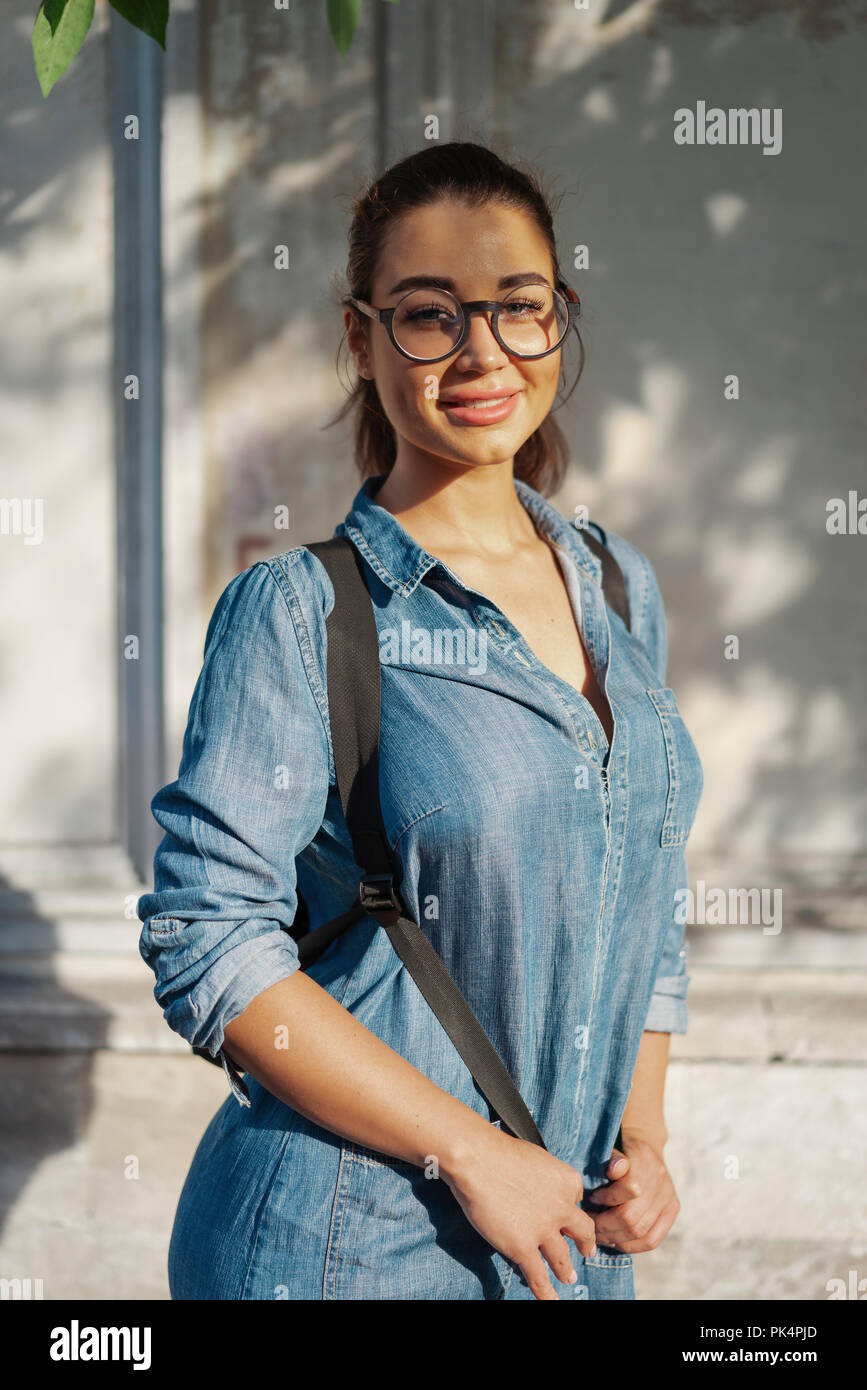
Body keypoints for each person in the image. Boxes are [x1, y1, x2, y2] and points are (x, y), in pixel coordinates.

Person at [137, 141, 704, 1301]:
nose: (481, 350)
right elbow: (209, 938)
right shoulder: (304, 610)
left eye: (517, 306)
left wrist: (641, 1135)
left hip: (566, 1245)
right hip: (345, 1241)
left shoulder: (615, 584)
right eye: (429, 314)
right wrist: (474, 1152)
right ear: (362, 339)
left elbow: (645, 895)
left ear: (560, 319)